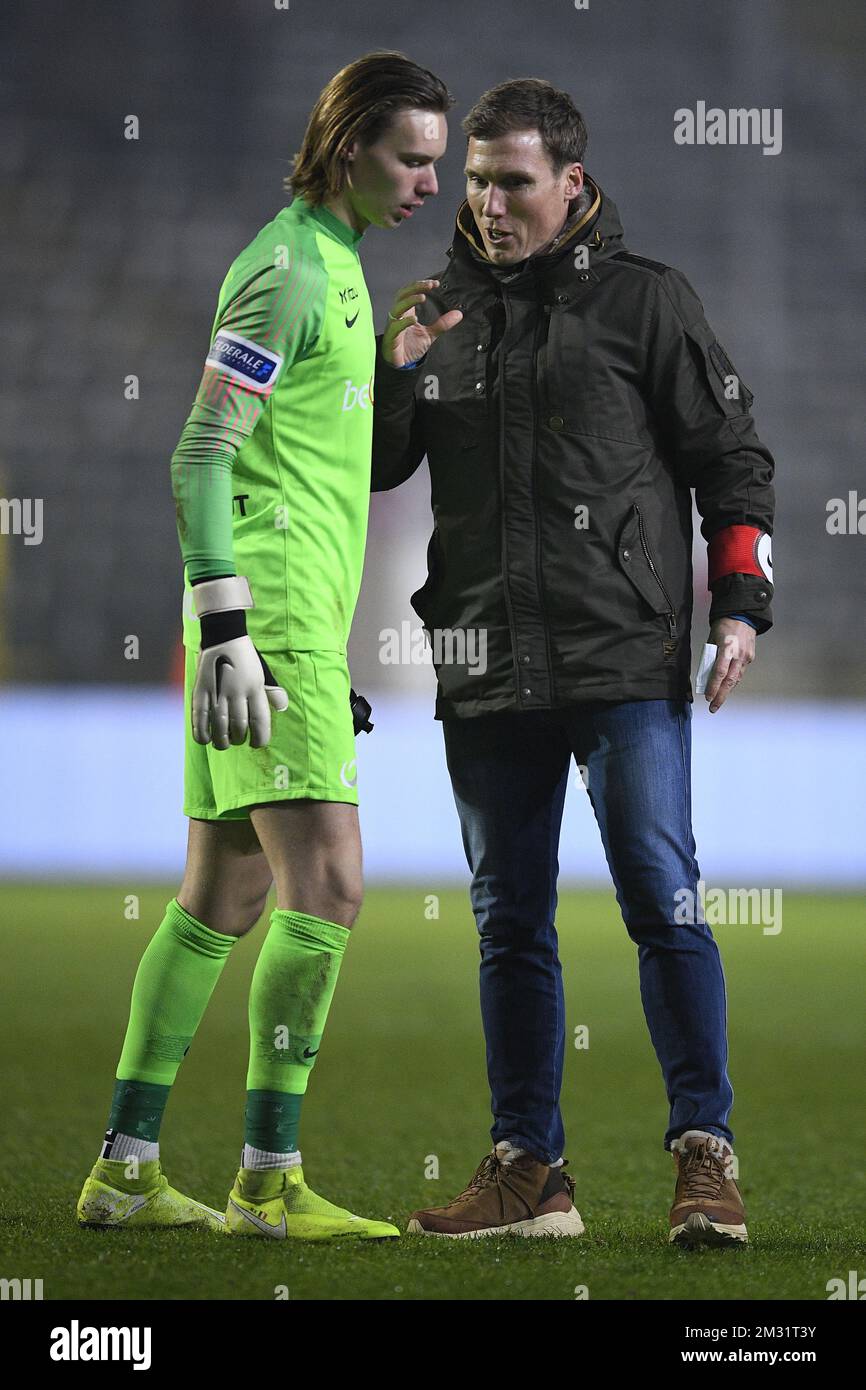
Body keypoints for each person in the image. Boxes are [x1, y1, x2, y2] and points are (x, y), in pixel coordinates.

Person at [371, 78, 775, 1245]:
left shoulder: (647, 304)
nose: (488, 202)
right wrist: (393, 376)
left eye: (512, 181)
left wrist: (738, 606)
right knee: (508, 919)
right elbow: (378, 472)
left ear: (571, 184)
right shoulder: (431, 309)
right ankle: (528, 1172)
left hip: (619, 658)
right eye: (476, 180)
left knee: (660, 900)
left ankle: (704, 1155)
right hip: (482, 659)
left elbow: (732, 459)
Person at [76, 51, 452, 1242]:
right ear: (347, 147)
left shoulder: (333, 265)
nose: (428, 184)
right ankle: (266, 1181)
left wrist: (387, 371)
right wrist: (233, 629)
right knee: (328, 887)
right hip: (269, 619)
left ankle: (125, 1170)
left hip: (270, 618)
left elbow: (296, 443)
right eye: (410, 158)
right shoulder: (289, 268)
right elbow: (200, 451)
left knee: (219, 895)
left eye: (439, 163)